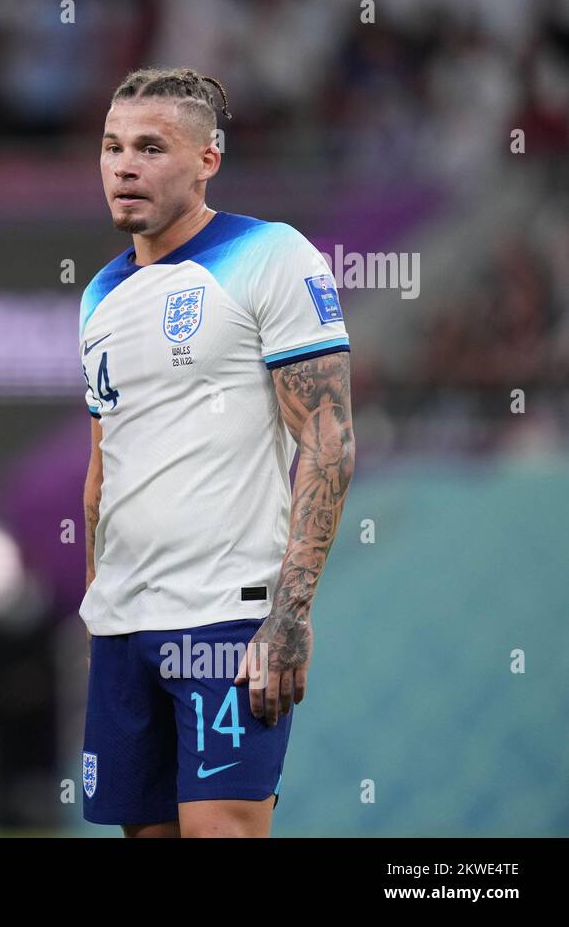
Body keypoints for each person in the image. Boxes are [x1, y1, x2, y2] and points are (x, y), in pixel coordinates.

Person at [79, 67, 355, 837]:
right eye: (112, 146)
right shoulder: (99, 294)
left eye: (151, 147)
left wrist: (289, 615)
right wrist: (98, 600)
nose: (124, 165)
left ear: (209, 159)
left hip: (227, 619)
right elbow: (105, 467)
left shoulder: (270, 255)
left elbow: (326, 437)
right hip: (123, 625)